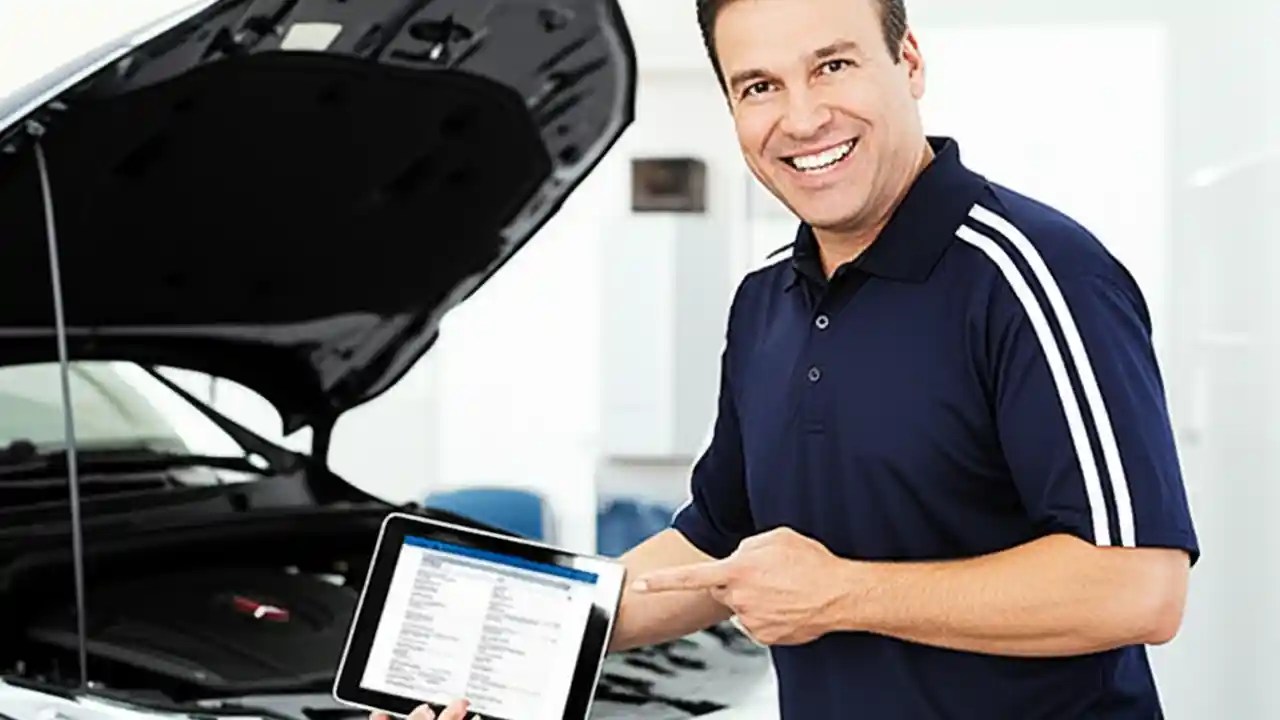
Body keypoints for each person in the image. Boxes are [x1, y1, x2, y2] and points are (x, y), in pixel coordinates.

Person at [378, 0, 1199, 717]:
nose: (802, 119)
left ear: (909, 62)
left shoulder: (1034, 274)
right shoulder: (764, 302)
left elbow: (1137, 588)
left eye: (832, 66)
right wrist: (479, 659)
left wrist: (842, 596)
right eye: (759, 86)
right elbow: (715, 545)